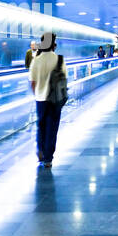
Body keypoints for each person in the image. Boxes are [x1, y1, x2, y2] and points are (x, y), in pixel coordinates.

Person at [28, 31, 66, 167]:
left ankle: (41, 151)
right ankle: (48, 158)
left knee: (41, 126)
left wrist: (37, 93)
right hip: (55, 100)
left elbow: (32, 82)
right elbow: (64, 80)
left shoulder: (36, 61)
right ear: (53, 44)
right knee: (52, 128)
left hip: (40, 100)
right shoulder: (59, 60)